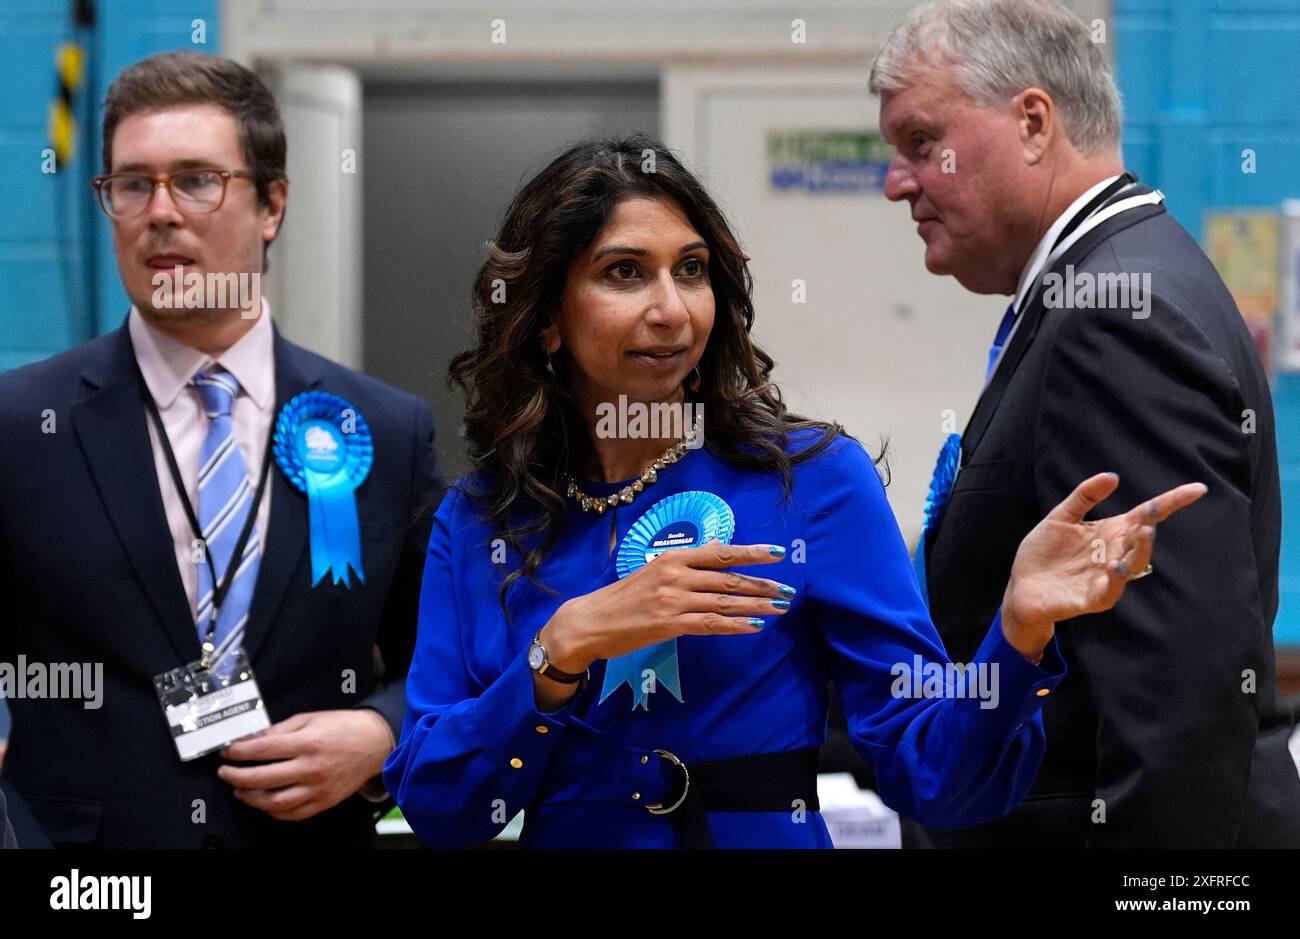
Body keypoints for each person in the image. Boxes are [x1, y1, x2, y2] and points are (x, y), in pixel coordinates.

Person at [383, 135, 1203, 848]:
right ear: (548, 319)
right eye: (624, 273)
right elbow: (442, 806)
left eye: (692, 270)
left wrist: (1017, 634)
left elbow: (937, 780)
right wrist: (557, 652)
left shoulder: (810, 478)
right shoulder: (481, 516)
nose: (671, 309)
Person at [871, 0, 1300, 847]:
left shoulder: (1114, 314)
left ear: (1034, 122)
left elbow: (1182, 693)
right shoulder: (1108, 281)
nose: (897, 181)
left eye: (924, 142)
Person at [0, 51, 441, 847]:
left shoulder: (384, 428)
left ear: (272, 204)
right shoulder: (22, 423)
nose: (159, 211)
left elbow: (447, 657)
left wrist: (381, 732)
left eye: (197, 179)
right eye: (132, 184)